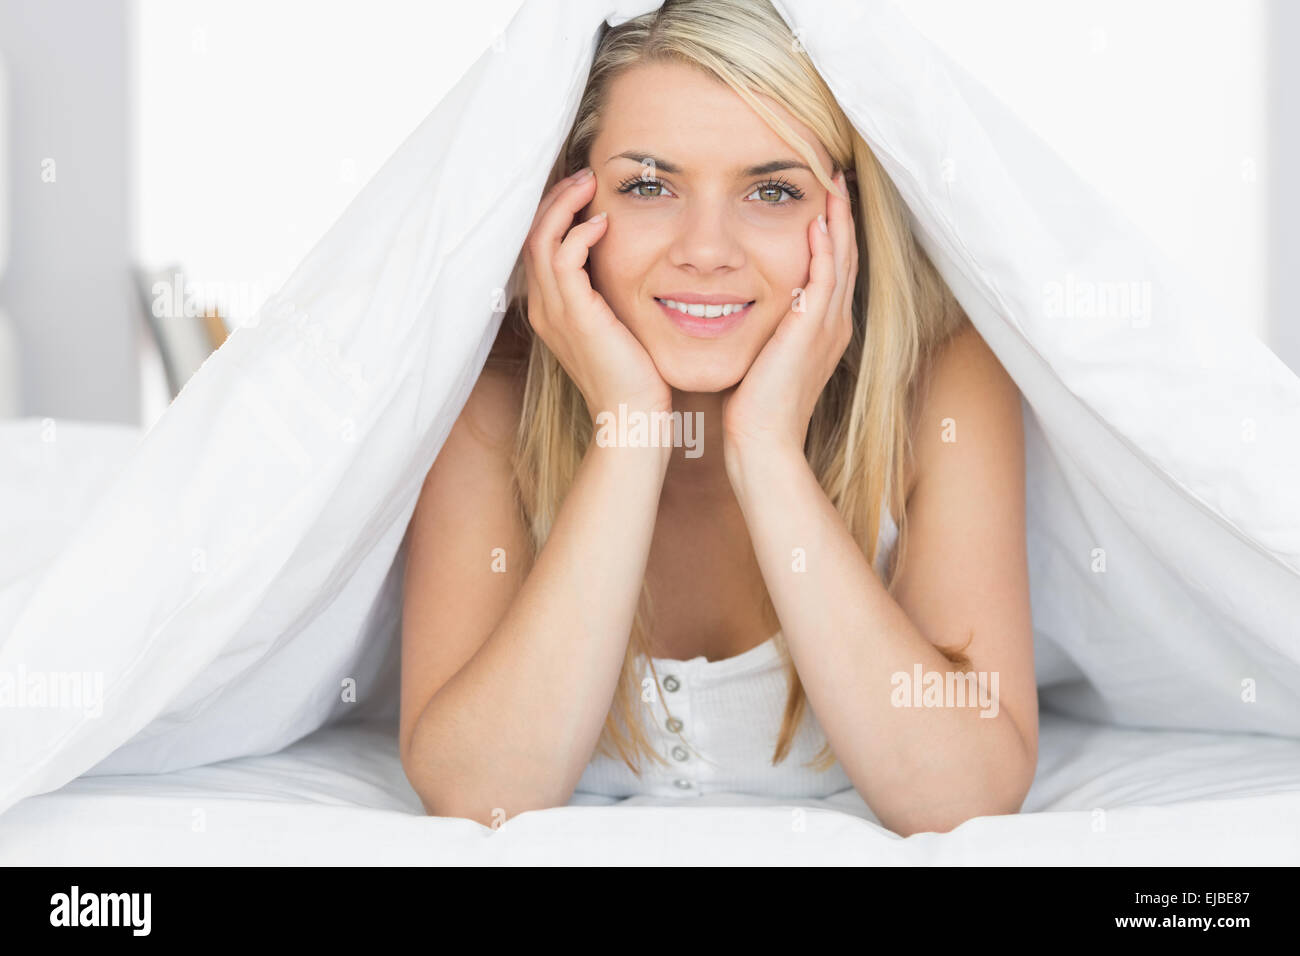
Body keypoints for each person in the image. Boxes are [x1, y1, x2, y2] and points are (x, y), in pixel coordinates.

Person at [398, 0, 1036, 836]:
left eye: (771, 190)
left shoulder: (941, 381)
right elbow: (479, 795)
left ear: (849, 219)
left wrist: (767, 449)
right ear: (567, 208)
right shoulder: (493, 392)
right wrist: (629, 425)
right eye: (649, 185)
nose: (706, 249)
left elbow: (963, 800)